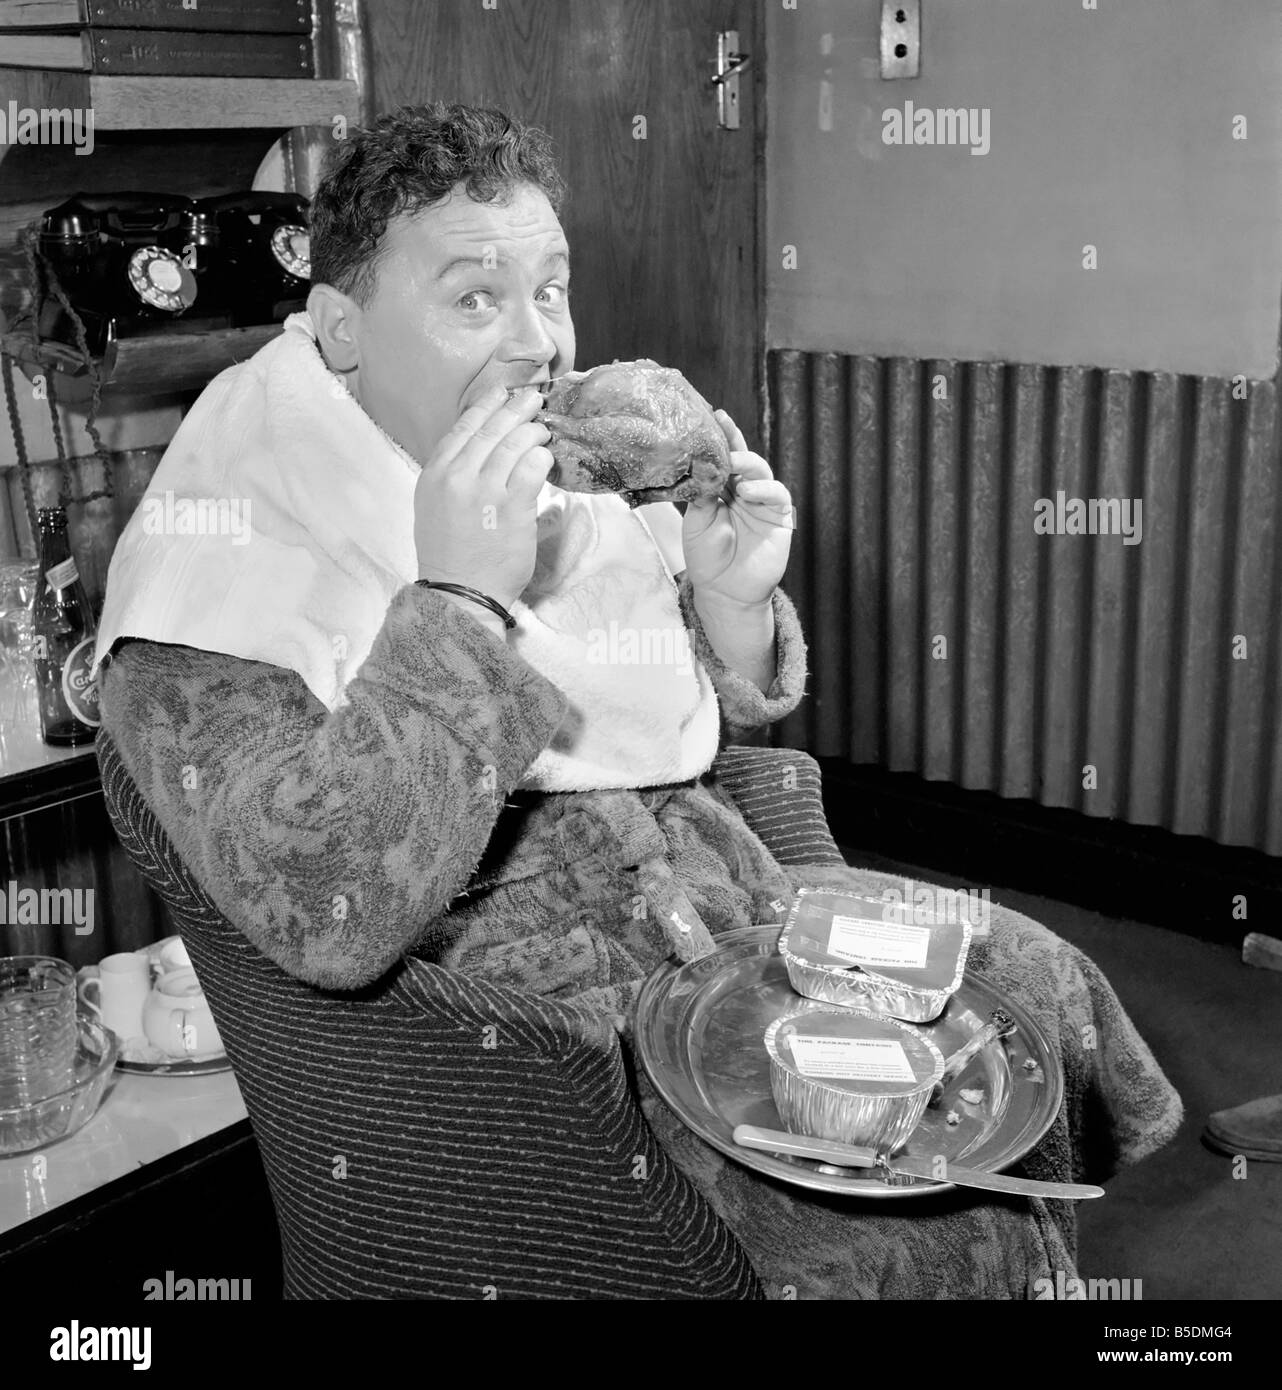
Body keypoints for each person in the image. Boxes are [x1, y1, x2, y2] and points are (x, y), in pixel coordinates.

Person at [93, 102, 1181, 1298]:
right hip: (526, 1029)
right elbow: (325, 911)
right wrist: (456, 595)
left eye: (550, 291)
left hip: (724, 903)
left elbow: (651, 723)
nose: (537, 347)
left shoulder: (548, 463)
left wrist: (728, 602)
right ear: (342, 330)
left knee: (1037, 991)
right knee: (900, 1246)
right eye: (473, 298)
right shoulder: (222, 556)